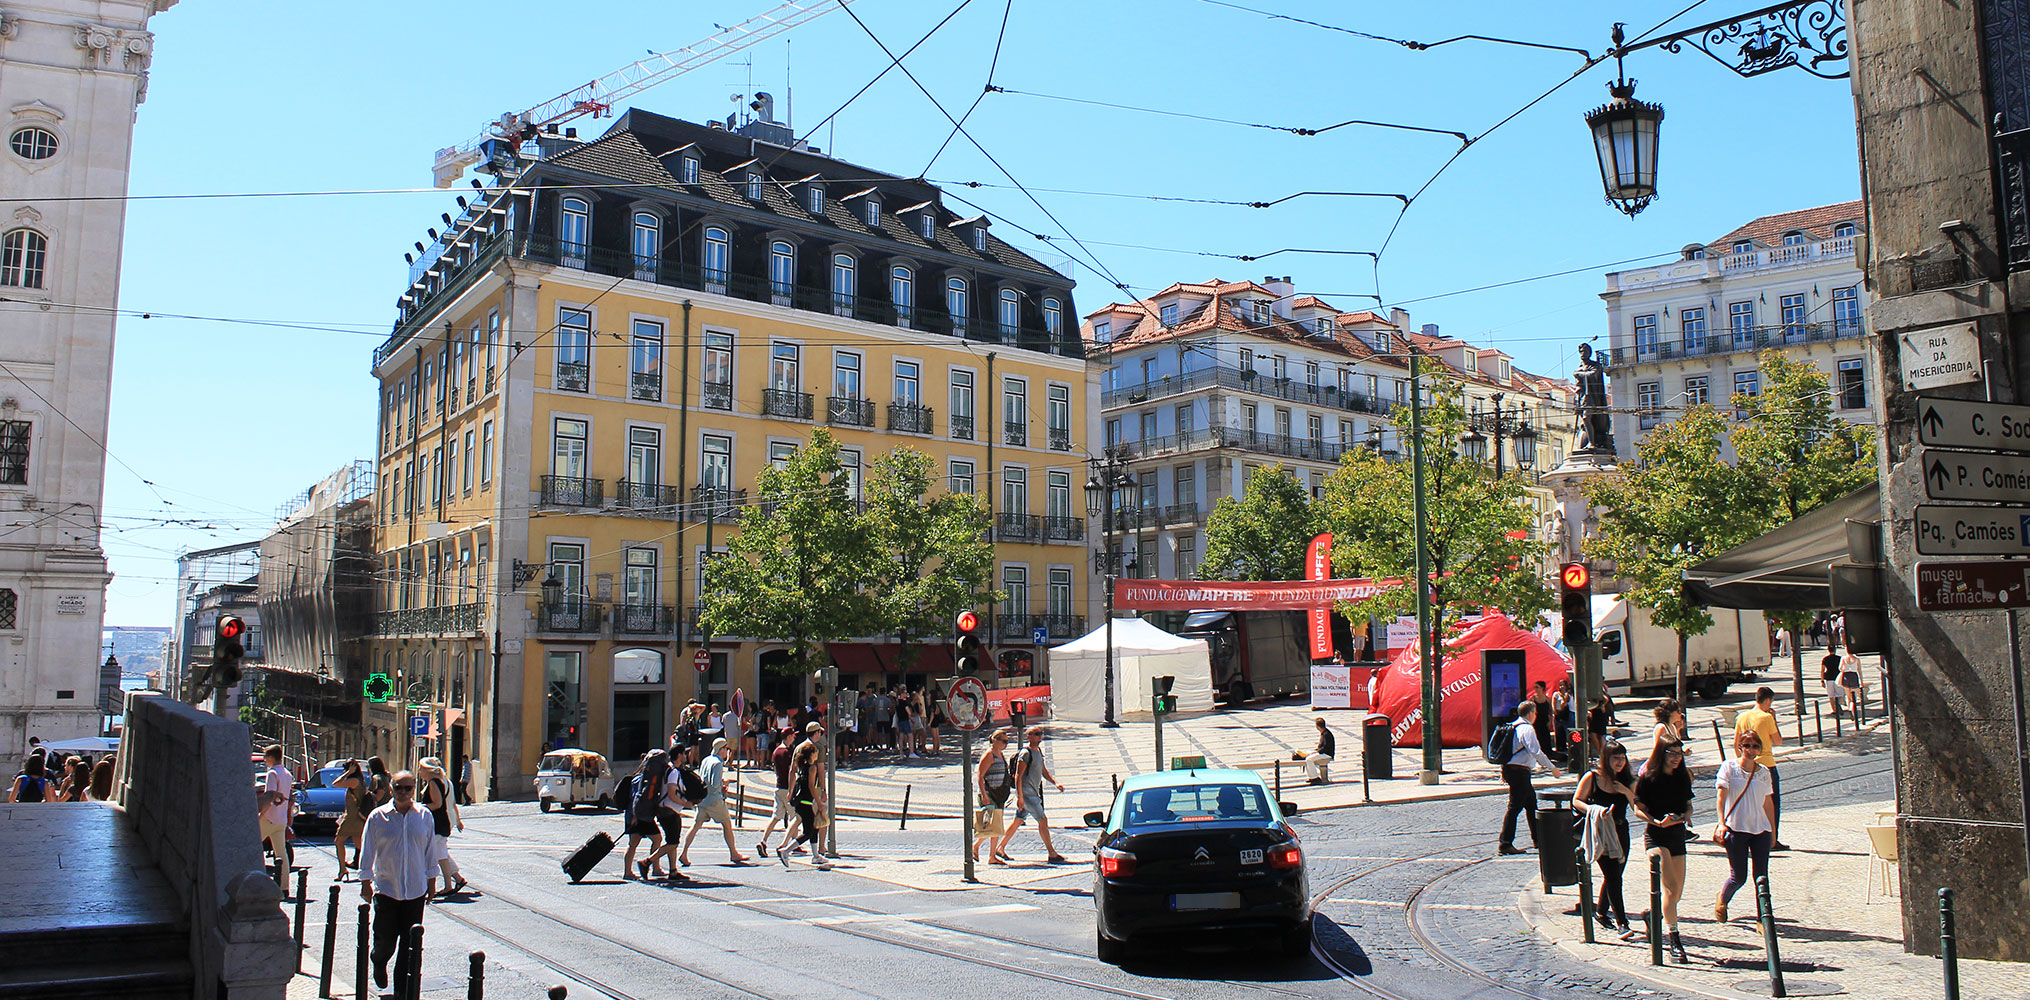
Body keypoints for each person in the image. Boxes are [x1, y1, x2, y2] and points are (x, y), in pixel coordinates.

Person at [358, 770, 435, 995]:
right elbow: (368, 849)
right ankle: (379, 960)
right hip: (387, 889)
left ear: (414, 789)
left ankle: (404, 991)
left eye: (407, 788)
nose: (403, 792)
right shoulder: (377, 816)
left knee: (410, 947)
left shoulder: (424, 815)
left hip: (415, 890)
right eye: (398, 787)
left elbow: (431, 850)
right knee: (385, 940)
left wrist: (431, 882)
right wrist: (365, 881)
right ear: (391, 788)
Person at [1635, 739, 1693, 963]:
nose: (1676, 757)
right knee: (1669, 888)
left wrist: (1686, 814)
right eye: (1671, 753)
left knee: (1677, 893)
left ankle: (1653, 914)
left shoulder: (1682, 776)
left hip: (1677, 835)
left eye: (1679, 753)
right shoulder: (1649, 779)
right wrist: (1657, 822)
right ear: (1661, 754)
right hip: (1656, 836)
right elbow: (1637, 808)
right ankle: (1674, 940)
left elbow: (1688, 803)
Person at [1573, 739, 1637, 939]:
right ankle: (1622, 923)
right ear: (1605, 759)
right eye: (1615, 758)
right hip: (1599, 831)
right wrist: (1595, 810)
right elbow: (1576, 801)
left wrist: (1625, 792)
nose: (1620, 762)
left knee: (1615, 874)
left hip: (1620, 831)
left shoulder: (1628, 781)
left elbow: (1638, 807)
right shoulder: (1592, 777)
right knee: (1614, 876)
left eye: (1623, 758)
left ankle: (1601, 911)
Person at [1713, 730, 1777, 924]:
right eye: (1747, 745)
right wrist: (1722, 823)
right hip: (1736, 829)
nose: (1750, 750)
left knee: (1761, 877)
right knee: (1739, 877)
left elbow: (1768, 803)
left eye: (1755, 746)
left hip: (1760, 830)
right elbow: (1721, 797)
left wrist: (1773, 831)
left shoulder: (1764, 773)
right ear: (1740, 747)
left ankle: (1763, 919)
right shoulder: (1729, 768)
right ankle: (1722, 899)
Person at [1498, 700, 1562, 856]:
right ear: (1531, 713)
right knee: (1514, 808)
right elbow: (1536, 751)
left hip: (1513, 770)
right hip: (1520, 772)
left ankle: (1539, 840)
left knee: (1531, 805)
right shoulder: (1527, 729)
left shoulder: (1512, 726)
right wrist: (1552, 768)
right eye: (1535, 713)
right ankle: (1505, 843)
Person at [998, 728, 1069, 864]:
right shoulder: (1025, 753)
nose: (1040, 737)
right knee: (1043, 820)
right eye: (1037, 734)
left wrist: (1055, 782)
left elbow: (1043, 770)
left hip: (1032, 793)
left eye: (1041, 734)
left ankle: (1000, 848)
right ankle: (1052, 853)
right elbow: (1018, 775)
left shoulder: (1038, 752)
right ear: (1029, 737)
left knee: (1017, 821)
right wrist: (1020, 796)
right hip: (1027, 794)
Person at [1733, 686, 1788, 850]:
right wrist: (1774, 719)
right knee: (1771, 804)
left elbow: (1736, 743)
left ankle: (1749, 838)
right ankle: (1772, 839)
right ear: (1769, 700)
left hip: (1747, 765)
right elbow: (1778, 741)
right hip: (1767, 764)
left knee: (1750, 802)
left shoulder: (1742, 717)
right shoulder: (1766, 717)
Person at [680, 739, 751, 866]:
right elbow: (715, 783)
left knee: (696, 826)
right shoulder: (718, 763)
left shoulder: (706, 760)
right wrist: (725, 783)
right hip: (714, 800)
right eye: (726, 749)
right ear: (721, 749)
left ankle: (684, 853)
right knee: (727, 823)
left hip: (703, 799)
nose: (727, 752)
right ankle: (734, 853)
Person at [417, 757, 468, 896]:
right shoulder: (437, 782)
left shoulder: (433, 783)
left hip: (437, 824)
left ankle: (448, 886)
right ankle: (455, 880)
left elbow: (437, 804)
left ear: (428, 770)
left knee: (440, 855)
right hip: (439, 823)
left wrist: (419, 807)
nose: (419, 771)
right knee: (441, 854)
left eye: (421, 768)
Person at [781, 733, 831, 869]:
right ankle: (786, 851)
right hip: (806, 802)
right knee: (808, 832)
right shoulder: (812, 767)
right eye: (815, 752)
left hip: (800, 801)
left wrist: (790, 792)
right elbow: (811, 785)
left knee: (813, 827)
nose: (817, 754)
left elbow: (793, 775)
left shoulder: (802, 766)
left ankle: (816, 856)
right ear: (811, 754)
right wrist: (819, 802)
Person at [621, 751, 667, 880]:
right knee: (657, 839)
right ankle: (655, 868)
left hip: (634, 815)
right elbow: (637, 798)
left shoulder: (638, 778)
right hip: (639, 816)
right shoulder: (641, 780)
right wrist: (636, 816)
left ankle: (628, 872)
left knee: (633, 843)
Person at [757, 728, 798, 859]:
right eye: (792, 736)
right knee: (794, 817)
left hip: (778, 787)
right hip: (787, 788)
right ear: (788, 737)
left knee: (775, 817)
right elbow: (791, 772)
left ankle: (763, 841)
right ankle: (793, 845)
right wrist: (792, 790)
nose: (794, 738)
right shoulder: (788, 752)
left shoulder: (776, 752)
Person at [974, 729, 1014, 864]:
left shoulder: (1001, 755)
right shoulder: (989, 755)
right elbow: (980, 776)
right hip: (989, 793)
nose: (1006, 744)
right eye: (1004, 741)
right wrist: (984, 795)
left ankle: (991, 856)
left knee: (996, 826)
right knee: (991, 825)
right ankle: (976, 847)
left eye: (1007, 742)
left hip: (999, 794)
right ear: (995, 741)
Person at [258, 745, 295, 873]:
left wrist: (260, 815)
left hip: (269, 817)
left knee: (253, 847)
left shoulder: (272, 774)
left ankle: (258, 878)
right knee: (281, 853)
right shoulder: (287, 774)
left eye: (265, 757)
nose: (264, 760)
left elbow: (269, 796)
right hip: (281, 820)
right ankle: (284, 886)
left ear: (271, 757)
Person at [333, 760, 369, 879]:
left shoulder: (354, 781)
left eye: (345, 769)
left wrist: (348, 773)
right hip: (357, 818)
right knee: (360, 845)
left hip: (351, 819)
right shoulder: (360, 780)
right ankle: (367, 870)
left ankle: (343, 870)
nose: (344, 771)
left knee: (338, 842)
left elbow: (336, 783)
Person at [1300, 717, 1336, 784]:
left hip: (1327, 754)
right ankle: (1312, 776)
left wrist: (1316, 752)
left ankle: (1315, 778)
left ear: (1318, 726)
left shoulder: (1326, 734)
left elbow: (1325, 747)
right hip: (1324, 752)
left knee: (1309, 759)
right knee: (1308, 756)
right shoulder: (1325, 732)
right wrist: (1315, 751)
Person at [1529, 680, 1555, 750]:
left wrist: (1550, 721)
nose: (1535, 689)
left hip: (1545, 721)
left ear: (1542, 688)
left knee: (1545, 738)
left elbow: (1550, 711)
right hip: (1536, 721)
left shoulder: (1547, 699)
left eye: (1537, 687)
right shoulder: (1533, 699)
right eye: (1535, 687)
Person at [1821, 651, 1845, 719]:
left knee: (1831, 695)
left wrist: (1822, 680)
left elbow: (1822, 670)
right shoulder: (1839, 658)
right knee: (1839, 694)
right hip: (1837, 677)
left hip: (1829, 678)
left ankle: (1834, 710)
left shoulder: (1825, 659)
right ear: (1835, 650)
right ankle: (1838, 705)